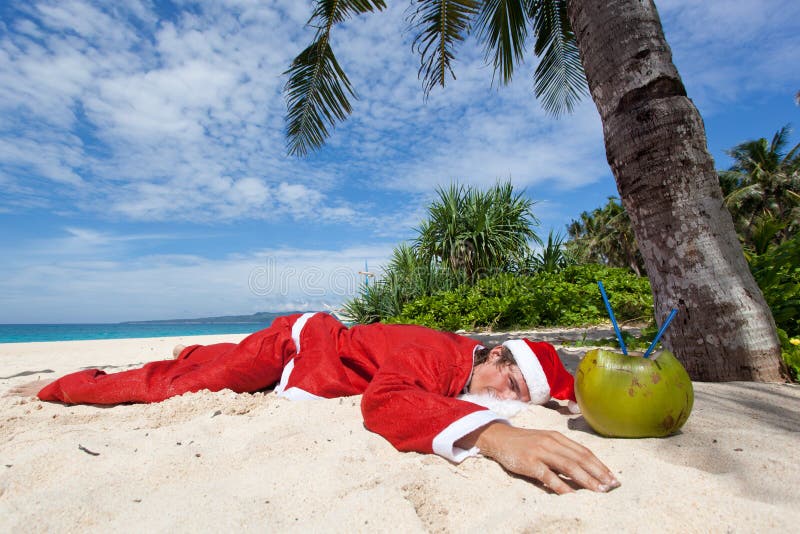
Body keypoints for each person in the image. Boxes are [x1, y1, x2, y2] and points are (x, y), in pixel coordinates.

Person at [30, 312, 620, 494]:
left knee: (211, 363)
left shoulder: (471, 363)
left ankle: (197, 348)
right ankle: (72, 384)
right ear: (491, 354)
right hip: (300, 346)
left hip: (323, 352)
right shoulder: (441, 358)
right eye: (508, 383)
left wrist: (577, 400)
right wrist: (495, 433)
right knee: (182, 385)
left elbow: (562, 387)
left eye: (516, 400)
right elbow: (386, 401)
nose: (502, 397)